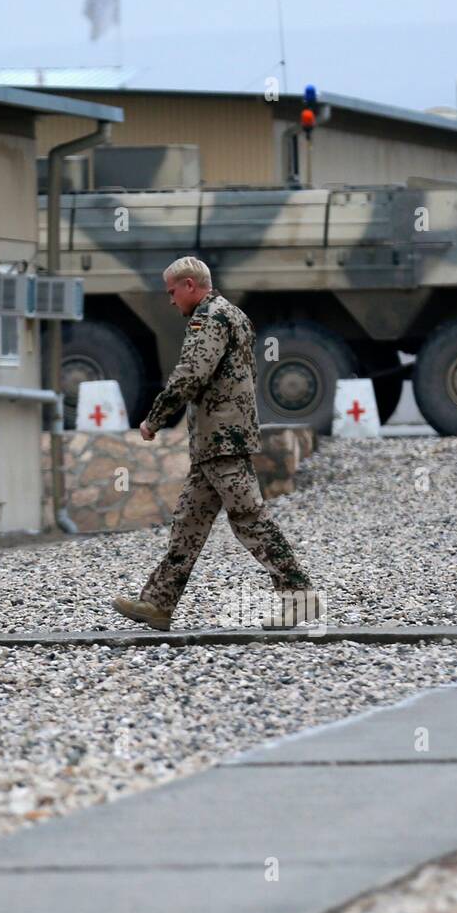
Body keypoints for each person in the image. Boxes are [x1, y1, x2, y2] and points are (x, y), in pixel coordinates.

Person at [113, 256, 318, 632]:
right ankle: (158, 604)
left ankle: (299, 594)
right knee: (188, 524)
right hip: (216, 441)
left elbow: (192, 373)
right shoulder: (234, 314)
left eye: (172, 291)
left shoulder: (209, 318)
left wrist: (154, 418)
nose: (171, 300)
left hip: (223, 441)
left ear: (190, 285)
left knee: (249, 518)